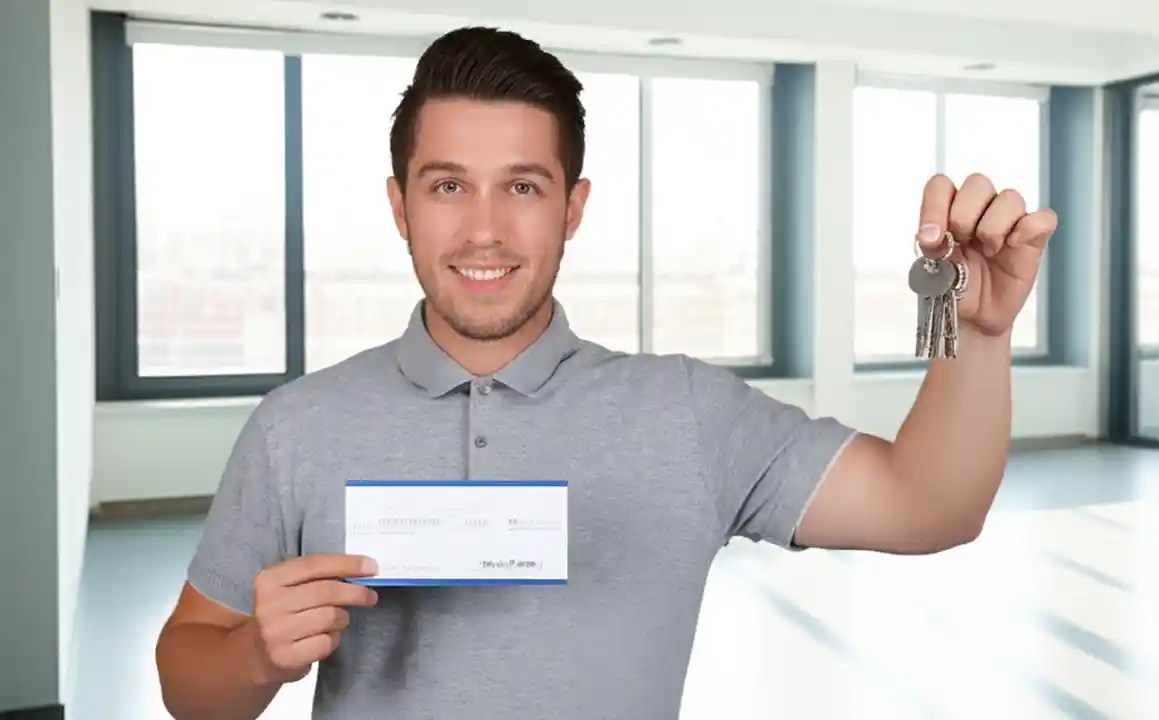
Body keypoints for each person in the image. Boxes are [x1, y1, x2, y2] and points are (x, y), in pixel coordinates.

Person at [154, 25, 1057, 720]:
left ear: (572, 207)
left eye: (522, 186)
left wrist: (977, 336)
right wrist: (257, 658)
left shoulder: (689, 413)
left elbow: (930, 508)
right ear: (399, 205)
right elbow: (186, 676)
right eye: (446, 185)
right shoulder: (296, 426)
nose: (483, 232)